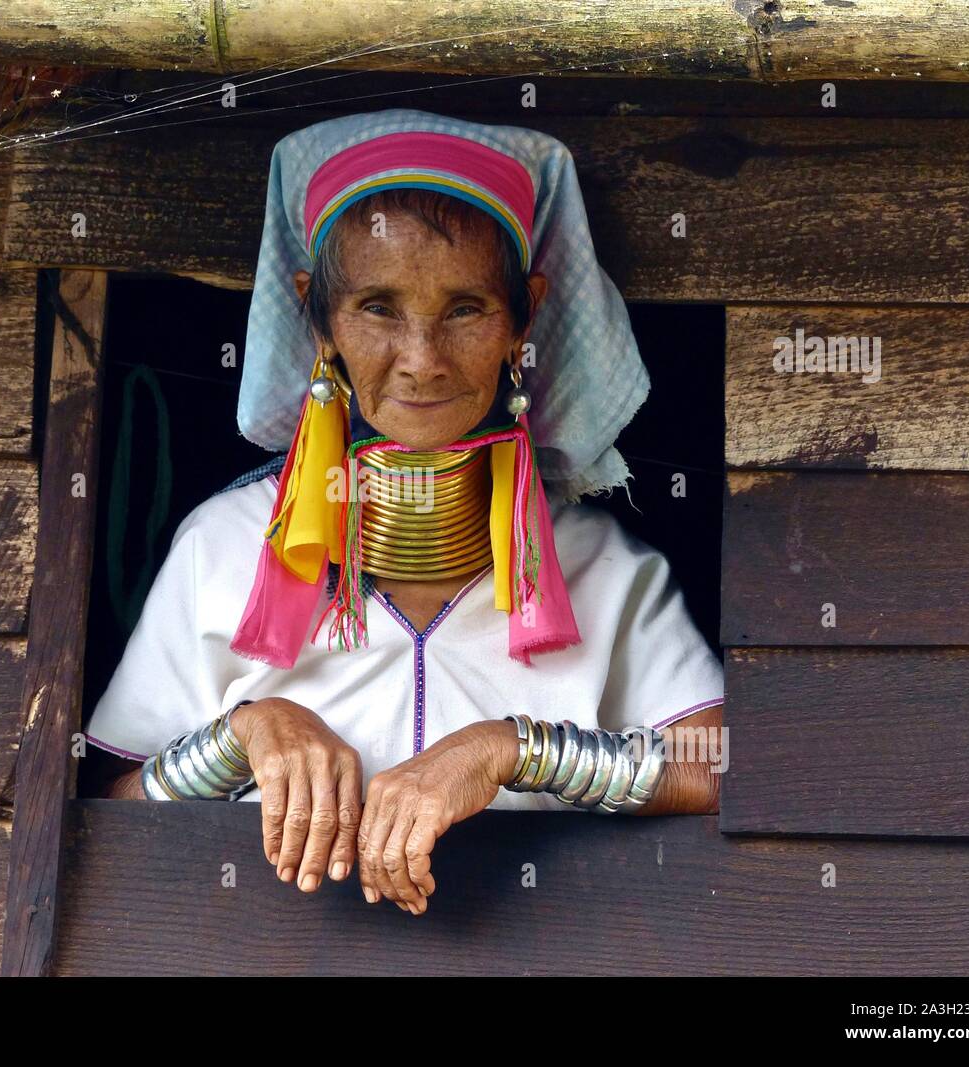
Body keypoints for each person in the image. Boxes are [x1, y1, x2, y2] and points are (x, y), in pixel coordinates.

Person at [85, 109, 725, 916]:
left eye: (465, 308)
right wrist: (245, 732)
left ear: (523, 317)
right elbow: (106, 808)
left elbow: (725, 764)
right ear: (317, 315)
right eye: (378, 307)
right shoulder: (225, 547)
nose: (422, 359)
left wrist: (511, 748)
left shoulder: (603, 567)